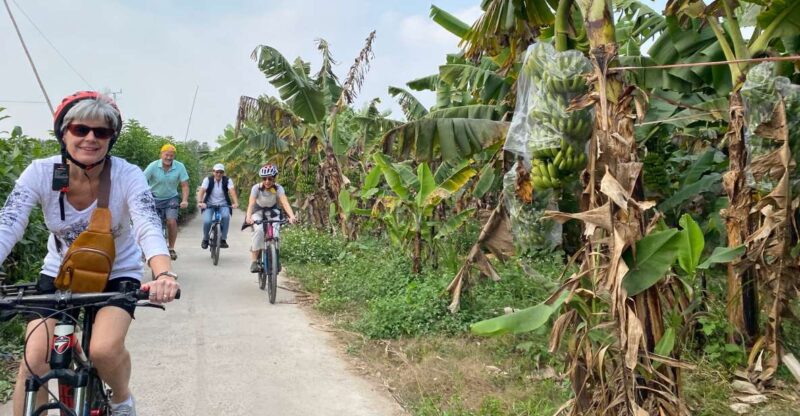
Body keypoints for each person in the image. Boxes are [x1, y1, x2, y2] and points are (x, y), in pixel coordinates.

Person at [0, 91, 179, 416]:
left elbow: (148, 225)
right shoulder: (40, 172)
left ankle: (122, 399)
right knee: (33, 360)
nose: (91, 138)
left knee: (104, 349)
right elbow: (8, 224)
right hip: (60, 274)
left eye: (102, 131)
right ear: (63, 132)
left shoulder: (128, 175)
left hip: (117, 273)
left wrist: (163, 272)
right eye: (81, 129)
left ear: (112, 137)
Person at [244, 164, 297, 273]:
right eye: (264, 178)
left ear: (274, 178)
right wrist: (249, 217)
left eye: (270, 178)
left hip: (273, 212)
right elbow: (251, 204)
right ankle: (254, 261)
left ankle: (276, 260)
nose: (267, 181)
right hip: (258, 212)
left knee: (276, 236)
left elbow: (285, 202)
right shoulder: (256, 188)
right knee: (258, 232)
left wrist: (291, 216)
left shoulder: (278, 188)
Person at [143, 144, 189, 260]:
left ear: (174, 156)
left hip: (171, 199)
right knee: (151, 225)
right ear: (161, 155)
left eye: (171, 155)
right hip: (153, 198)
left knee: (171, 221)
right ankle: (147, 248)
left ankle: (171, 248)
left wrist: (184, 200)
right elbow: (142, 180)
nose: (169, 158)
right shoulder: (153, 166)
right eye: (166, 155)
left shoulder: (180, 167)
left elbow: (184, 185)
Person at [197, 163, 239, 249]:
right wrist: (200, 202)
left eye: (221, 172)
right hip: (209, 204)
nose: (219, 174)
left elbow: (232, 191)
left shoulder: (227, 180)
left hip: (223, 204)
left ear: (223, 173)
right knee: (207, 221)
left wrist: (235, 202)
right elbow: (202, 191)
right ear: (213, 172)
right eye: (217, 172)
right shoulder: (208, 180)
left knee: (226, 217)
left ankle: (223, 239)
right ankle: (205, 239)